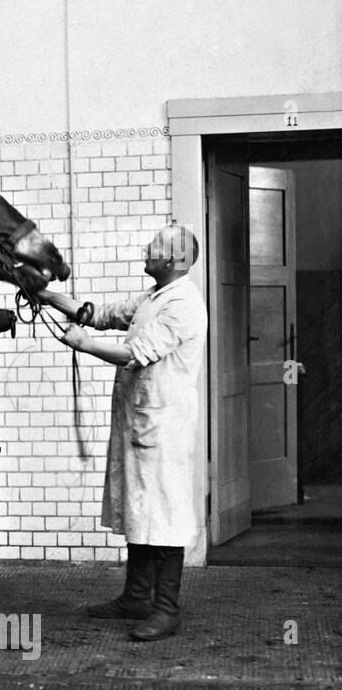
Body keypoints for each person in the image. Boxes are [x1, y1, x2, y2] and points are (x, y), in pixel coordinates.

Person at [39, 223, 208, 642]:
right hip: (140, 422)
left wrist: (83, 345)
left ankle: (167, 610)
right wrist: (43, 293)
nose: (147, 247)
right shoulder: (154, 296)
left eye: (157, 245)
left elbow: (134, 353)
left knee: (164, 516)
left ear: (177, 260)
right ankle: (136, 597)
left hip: (164, 427)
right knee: (140, 509)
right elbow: (99, 315)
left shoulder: (183, 303)